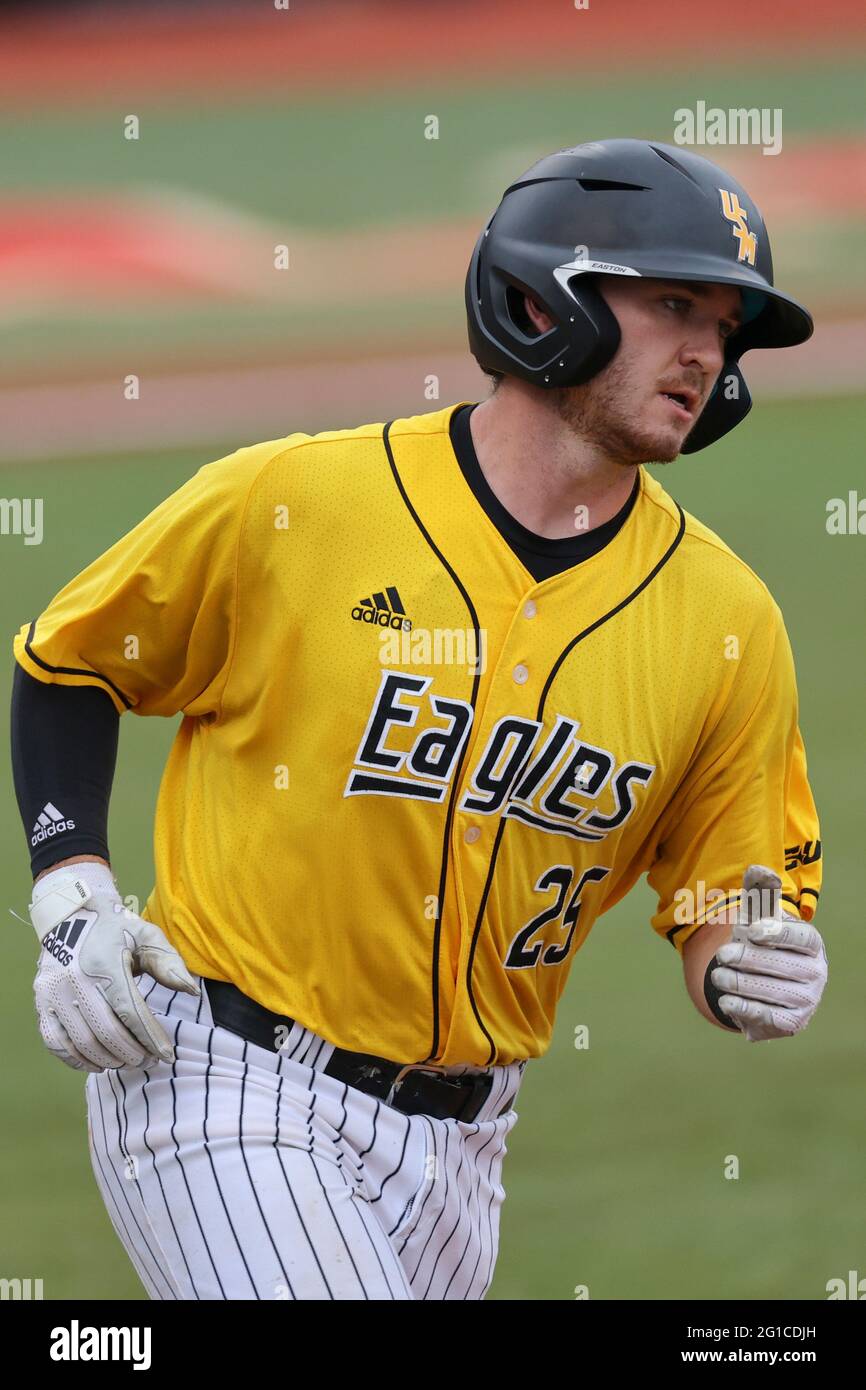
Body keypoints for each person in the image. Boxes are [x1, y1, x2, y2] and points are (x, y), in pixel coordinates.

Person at [11, 138, 827, 1301]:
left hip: (463, 1148)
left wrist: (749, 954)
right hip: (222, 1080)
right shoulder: (297, 500)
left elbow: (732, 882)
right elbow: (70, 662)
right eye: (671, 304)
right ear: (548, 297)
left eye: (725, 325)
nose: (705, 350)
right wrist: (70, 888)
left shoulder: (724, 615)